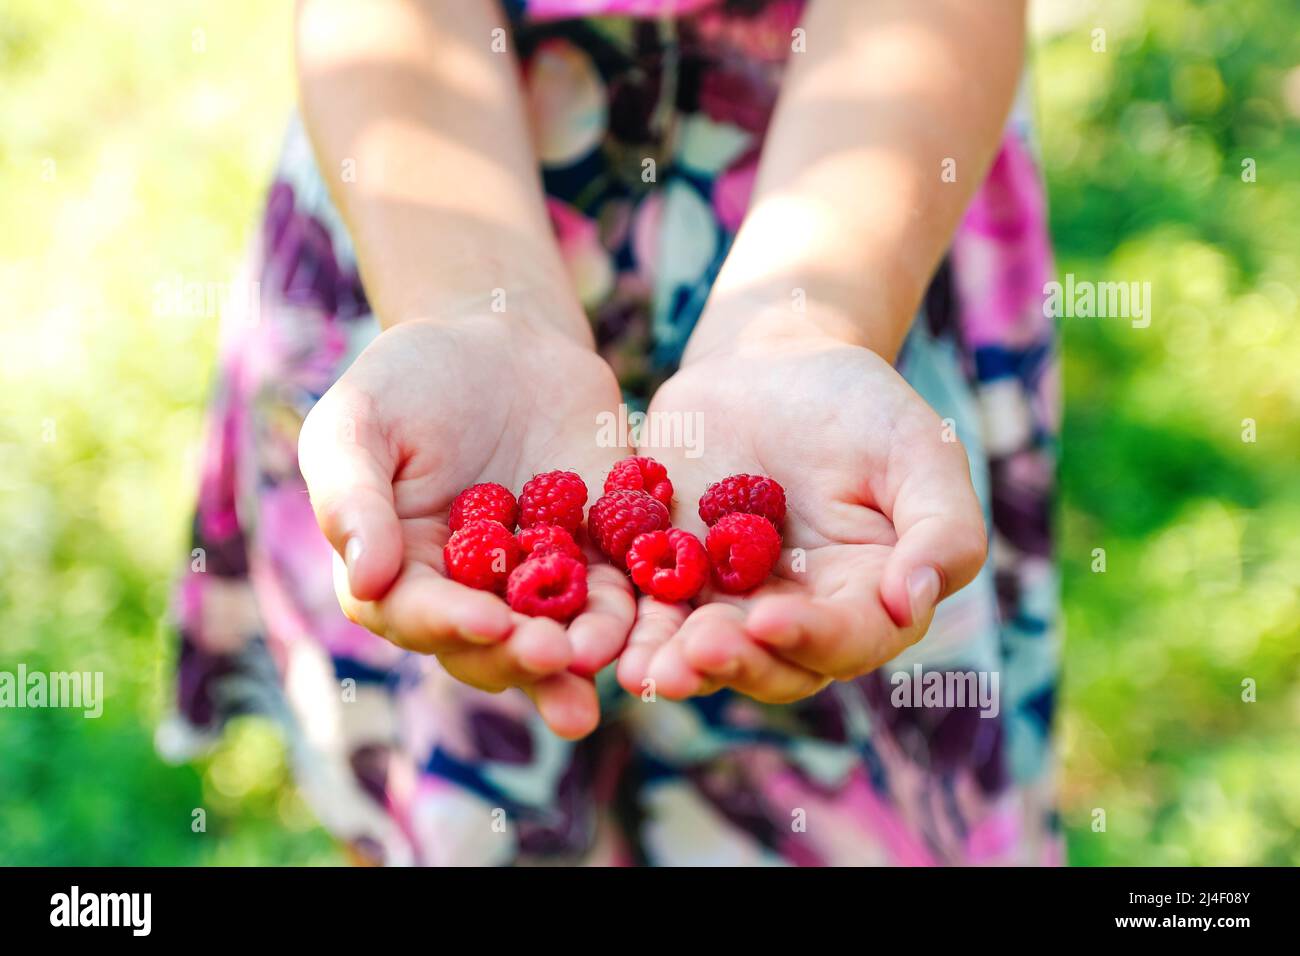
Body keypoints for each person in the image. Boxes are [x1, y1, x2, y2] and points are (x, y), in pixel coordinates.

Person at [167, 0, 1061, 865]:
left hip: (858, 217)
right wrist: (469, 309)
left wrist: (808, 330)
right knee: (445, 808)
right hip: (426, 220)